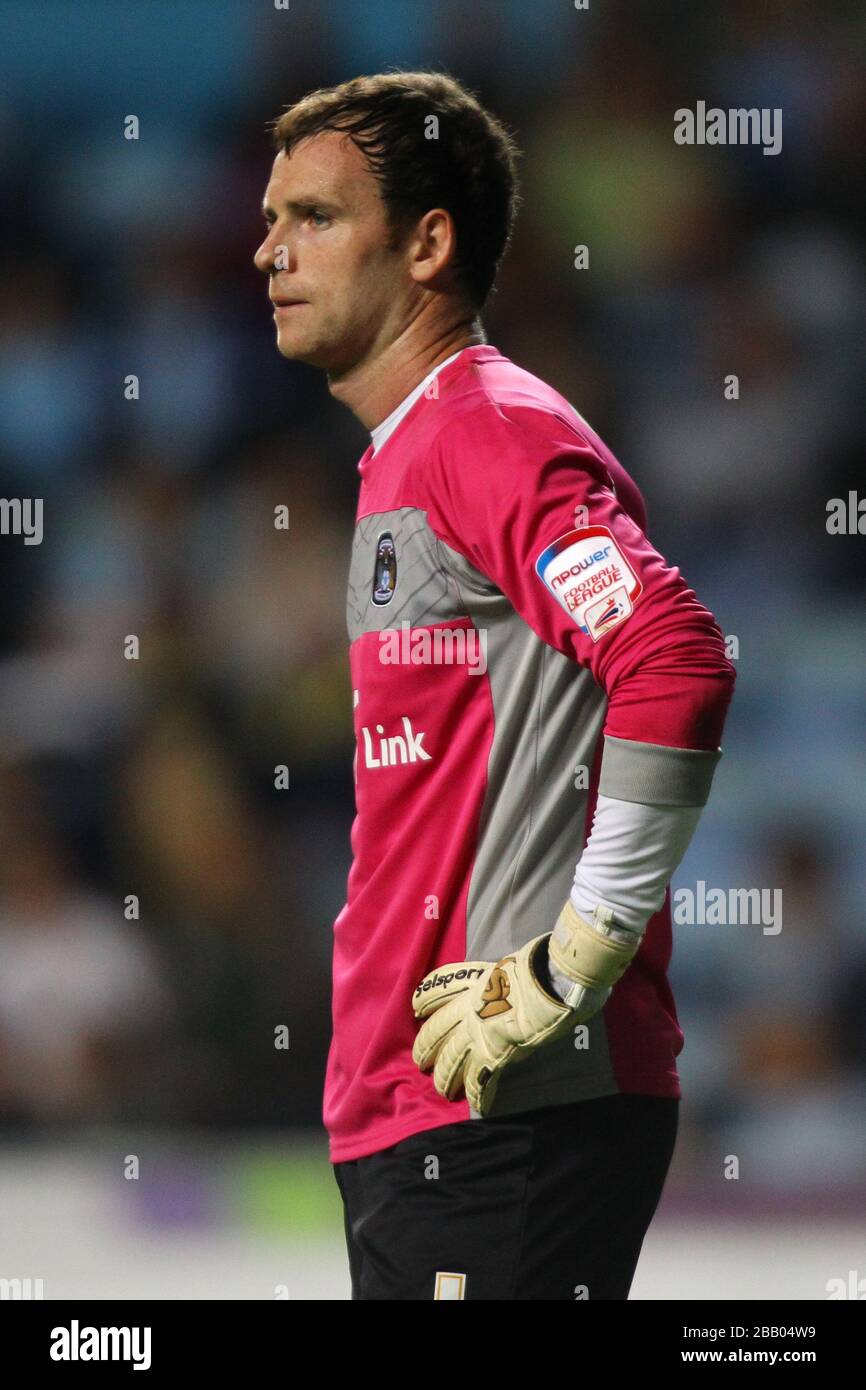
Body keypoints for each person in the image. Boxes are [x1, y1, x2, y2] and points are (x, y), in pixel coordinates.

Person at [254, 70, 736, 1300]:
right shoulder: (403, 453)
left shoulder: (485, 429)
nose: (269, 250)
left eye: (313, 217)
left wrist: (573, 959)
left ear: (426, 242)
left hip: (515, 1098)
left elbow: (673, 653)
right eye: (271, 218)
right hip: (422, 1107)